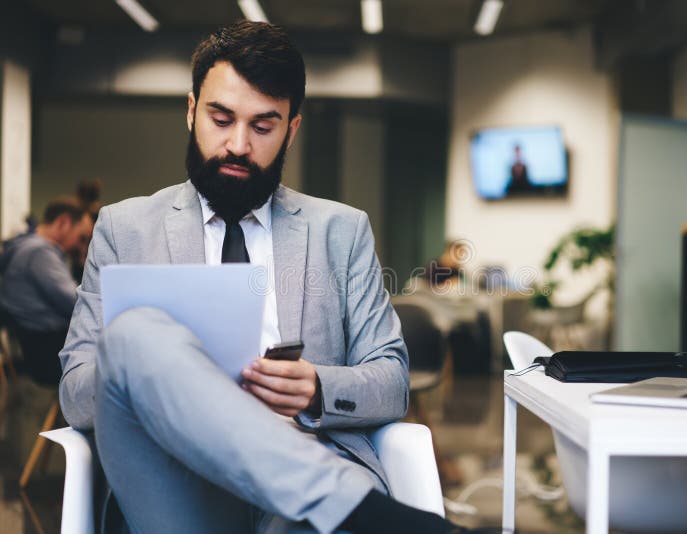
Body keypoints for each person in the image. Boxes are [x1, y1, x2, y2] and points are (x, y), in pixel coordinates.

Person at [58, 22, 486, 534]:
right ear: (191, 111)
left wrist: (317, 389)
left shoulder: (341, 231)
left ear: (292, 129)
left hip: (303, 480)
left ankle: (338, 501)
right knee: (132, 337)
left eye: (263, 127)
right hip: (178, 481)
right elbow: (75, 393)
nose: (238, 145)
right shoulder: (125, 228)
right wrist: (166, 376)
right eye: (221, 119)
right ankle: (366, 513)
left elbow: (393, 382)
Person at [0, 197, 92, 385]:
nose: (81, 246)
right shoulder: (40, 252)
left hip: (38, 345)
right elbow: (76, 304)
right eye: (82, 238)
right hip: (48, 352)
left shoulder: (25, 245)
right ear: (63, 223)